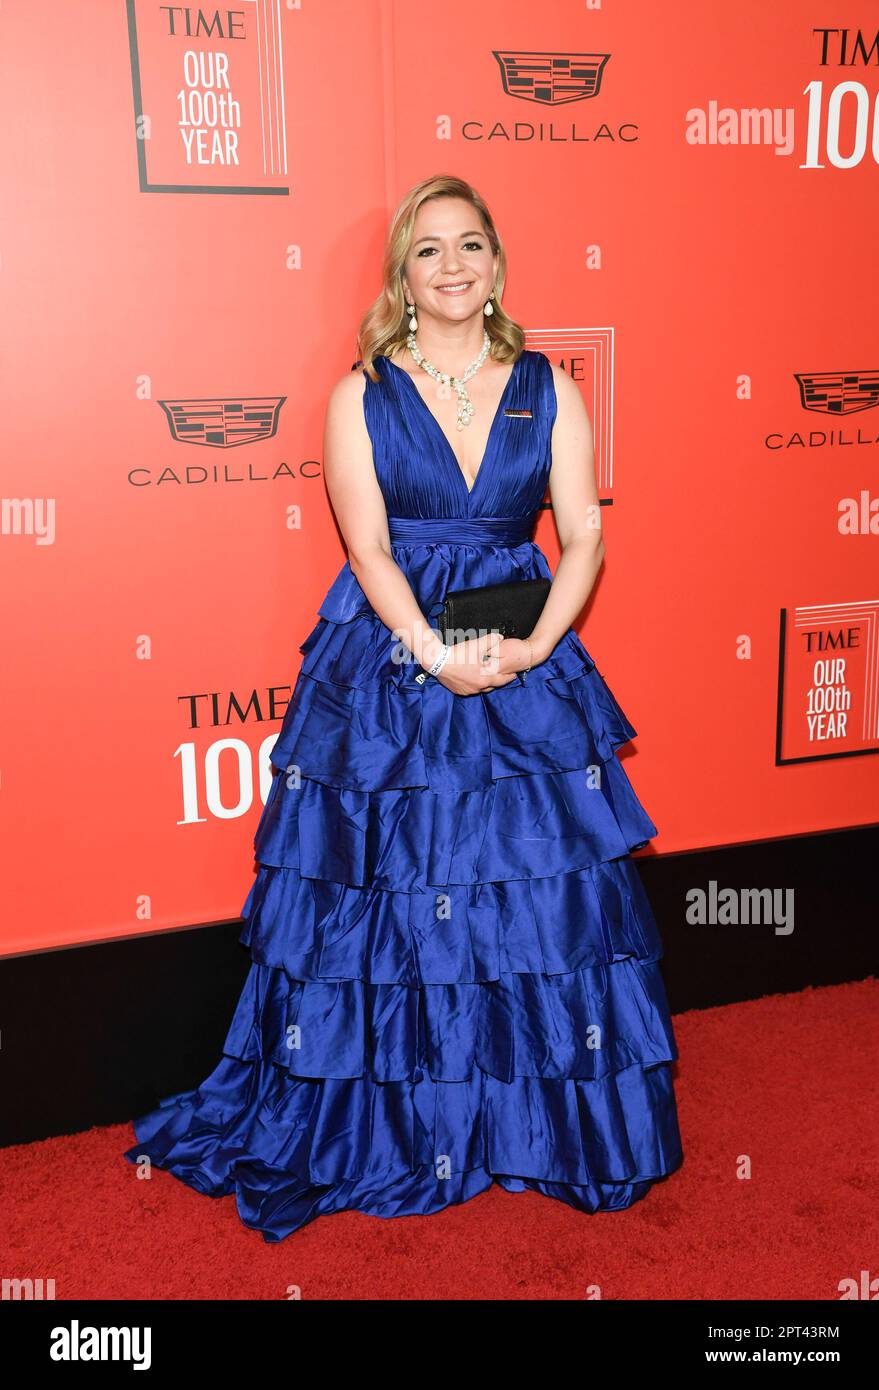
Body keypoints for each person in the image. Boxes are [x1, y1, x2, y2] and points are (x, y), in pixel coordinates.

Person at [123, 173, 683, 1242]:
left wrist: (534, 646)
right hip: (392, 661)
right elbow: (368, 549)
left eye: (470, 244)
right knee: (398, 883)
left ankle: (536, 1123)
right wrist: (432, 654)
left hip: (526, 654)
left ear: (496, 264)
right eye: (428, 250)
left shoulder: (549, 386)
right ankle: (396, 1116)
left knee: (534, 893)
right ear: (401, 275)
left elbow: (585, 531)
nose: (452, 266)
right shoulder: (358, 394)